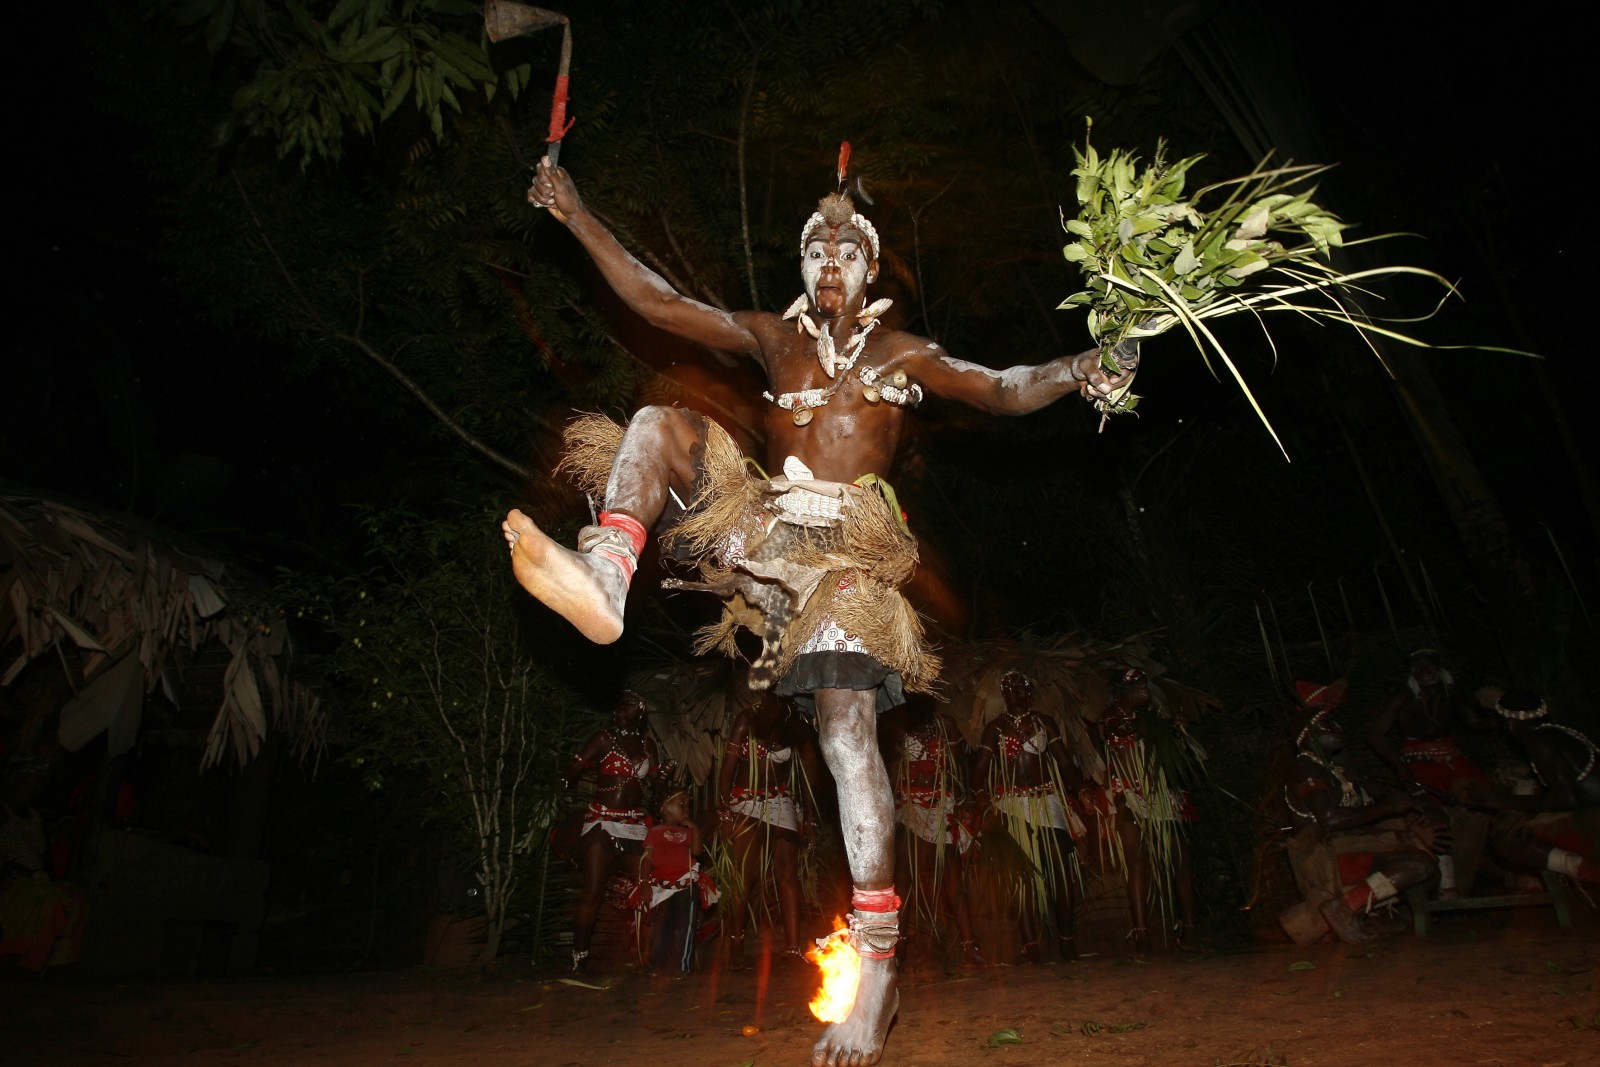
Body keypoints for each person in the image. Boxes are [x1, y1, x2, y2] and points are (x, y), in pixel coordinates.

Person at [504, 152, 1138, 1066]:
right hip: (763, 535)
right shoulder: (773, 338)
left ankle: (877, 964)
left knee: (845, 731)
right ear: (802, 267)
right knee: (656, 425)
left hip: (848, 560)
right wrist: (575, 212)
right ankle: (607, 572)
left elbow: (1001, 386)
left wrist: (1082, 368)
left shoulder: (900, 355)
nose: (829, 255)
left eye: (847, 244)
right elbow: (658, 303)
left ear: (872, 265)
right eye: (814, 245)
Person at [1279, 682, 1437, 945]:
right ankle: (1343, 908)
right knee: (1418, 865)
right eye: (1327, 725)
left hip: (1345, 847)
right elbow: (1330, 820)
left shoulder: (1329, 769)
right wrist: (1390, 807)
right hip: (1326, 855)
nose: (1337, 729)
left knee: (1428, 870)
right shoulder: (1305, 769)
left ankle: (1365, 912)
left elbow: (1353, 793)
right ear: (1310, 733)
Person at [1082, 667, 1202, 955]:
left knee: (1180, 859)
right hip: (1131, 796)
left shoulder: (1153, 719)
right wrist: (1164, 726)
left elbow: (1172, 753)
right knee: (1136, 862)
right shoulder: (1112, 717)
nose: (1145, 689)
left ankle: (1189, 932)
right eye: (1138, 684)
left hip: (1161, 794)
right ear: (1123, 689)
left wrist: (1179, 732)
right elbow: (1119, 731)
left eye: (1145, 684)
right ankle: (1141, 934)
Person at [970, 670, 1084, 963]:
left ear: (1029, 692)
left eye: (1019, 686)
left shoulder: (1044, 722)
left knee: (1059, 868)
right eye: (1007, 688)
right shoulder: (994, 728)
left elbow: (1064, 761)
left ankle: (1066, 940)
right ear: (1003, 696)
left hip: (1046, 799)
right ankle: (1031, 945)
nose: (1013, 692)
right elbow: (980, 771)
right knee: (1020, 876)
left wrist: (1083, 789)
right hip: (1011, 803)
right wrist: (983, 804)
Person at [559, 690, 676, 972]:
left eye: (626, 707)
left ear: (640, 711)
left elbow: (656, 786)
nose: (619, 712)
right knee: (593, 891)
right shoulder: (603, 739)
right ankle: (580, 956)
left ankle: (649, 954)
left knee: (647, 889)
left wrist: (661, 778)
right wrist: (561, 788)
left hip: (634, 825)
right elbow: (574, 768)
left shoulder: (647, 745)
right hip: (603, 823)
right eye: (617, 708)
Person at [1366, 648, 1491, 896]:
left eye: (1429, 667)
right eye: (1419, 669)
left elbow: (1474, 722)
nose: (1425, 673)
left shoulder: (1450, 693)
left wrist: (1500, 712)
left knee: (1486, 800)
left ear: (1439, 669)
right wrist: (1400, 765)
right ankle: (1448, 885)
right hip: (1418, 759)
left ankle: (1488, 875)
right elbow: (1375, 733)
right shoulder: (1404, 696)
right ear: (1412, 673)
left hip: (1452, 757)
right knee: (1432, 813)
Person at [711, 692, 820, 970]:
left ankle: (793, 949)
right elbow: (727, 771)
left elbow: (807, 778)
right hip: (745, 802)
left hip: (778, 801)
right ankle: (735, 944)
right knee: (743, 877)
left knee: (787, 871)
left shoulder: (794, 726)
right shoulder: (747, 721)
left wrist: (809, 820)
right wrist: (724, 813)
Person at [878, 694, 982, 969]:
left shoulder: (945, 726)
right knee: (904, 879)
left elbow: (960, 767)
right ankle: (897, 949)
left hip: (941, 807)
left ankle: (969, 945)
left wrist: (963, 800)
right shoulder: (899, 728)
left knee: (953, 877)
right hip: (910, 808)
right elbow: (892, 772)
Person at [1478, 688, 1599, 886]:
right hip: (1590, 810)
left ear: (1509, 723)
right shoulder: (1558, 732)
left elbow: (1567, 800)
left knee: (1509, 838)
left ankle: (1586, 869)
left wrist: (1502, 801)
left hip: (1592, 818)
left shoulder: (1538, 741)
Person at [639, 790, 715, 977]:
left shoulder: (688, 832)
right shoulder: (655, 832)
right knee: (661, 926)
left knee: (685, 926)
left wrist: (695, 830)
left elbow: (696, 851)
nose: (686, 808)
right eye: (681, 804)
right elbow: (647, 859)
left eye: (687, 804)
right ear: (665, 807)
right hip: (661, 886)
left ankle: (684, 966)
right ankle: (658, 965)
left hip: (685, 884)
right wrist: (644, 883)